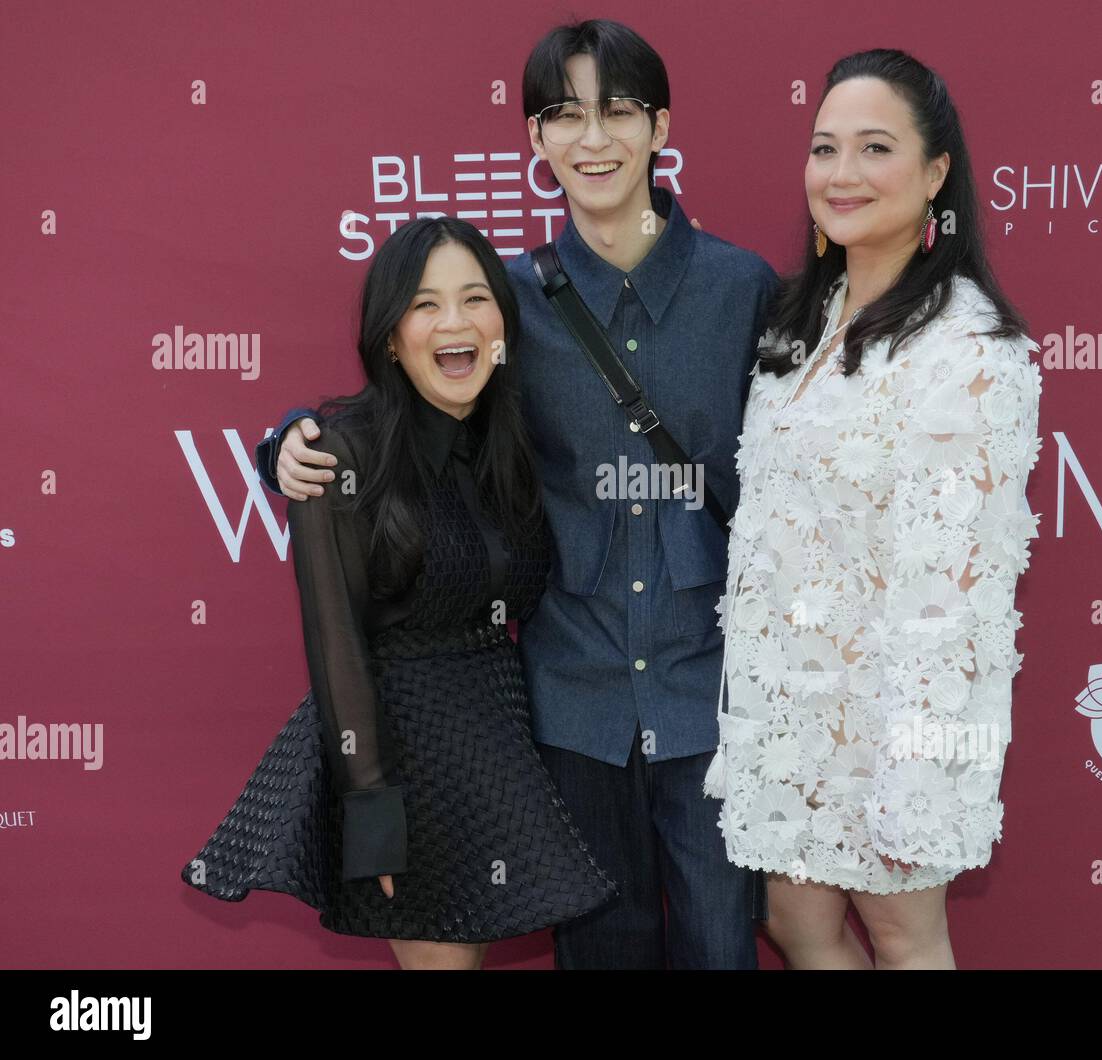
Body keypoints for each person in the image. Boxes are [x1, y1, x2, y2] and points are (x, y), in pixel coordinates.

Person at [254, 19, 778, 969]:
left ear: (660, 126)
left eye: (617, 110)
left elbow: (812, 466)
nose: (593, 138)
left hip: (717, 701)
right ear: (535, 141)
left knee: (720, 951)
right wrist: (286, 442)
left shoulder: (743, 291)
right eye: (563, 114)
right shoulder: (506, 305)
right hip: (567, 707)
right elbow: (407, 407)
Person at [181, 216, 617, 970]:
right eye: (424, 305)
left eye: (476, 299)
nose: (454, 322)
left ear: (504, 328)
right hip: (404, 759)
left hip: (497, 748)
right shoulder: (336, 454)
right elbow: (336, 642)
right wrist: (374, 810)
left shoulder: (508, 445)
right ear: (390, 336)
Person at [702, 48, 1044, 970]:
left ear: (937, 174)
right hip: (790, 710)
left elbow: (957, 591)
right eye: (824, 148)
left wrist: (916, 773)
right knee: (798, 925)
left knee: (904, 936)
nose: (841, 173)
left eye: (874, 148)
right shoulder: (794, 324)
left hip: (895, 721)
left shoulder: (970, 350)